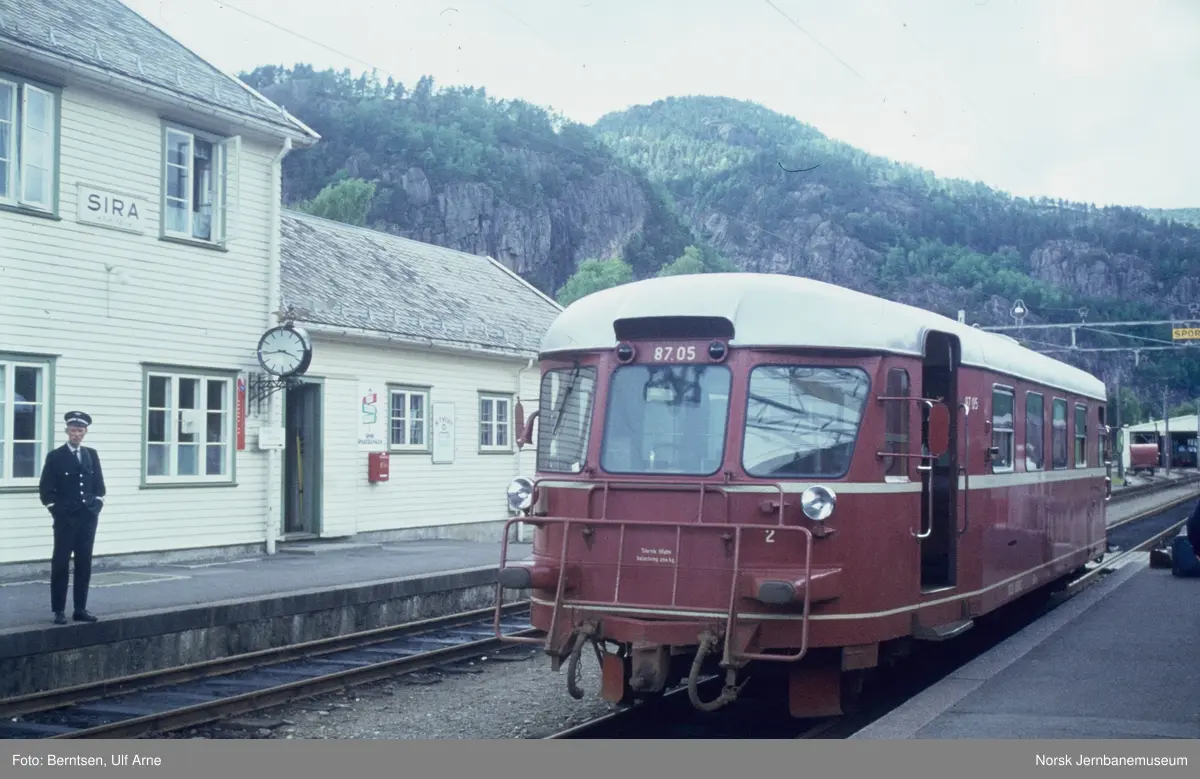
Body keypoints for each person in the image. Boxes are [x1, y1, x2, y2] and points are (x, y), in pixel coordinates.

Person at [38, 411, 106, 625]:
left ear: (85, 432)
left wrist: (97, 505)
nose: (76, 434)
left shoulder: (91, 455)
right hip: (65, 519)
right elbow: (46, 490)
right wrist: (57, 511)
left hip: (87, 518)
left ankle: (80, 609)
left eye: (80, 430)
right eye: (73, 430)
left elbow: (99, 487)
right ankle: (58, 610)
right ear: (66, 431)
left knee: (84, 563)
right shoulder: (55, 456)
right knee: (60, 564)